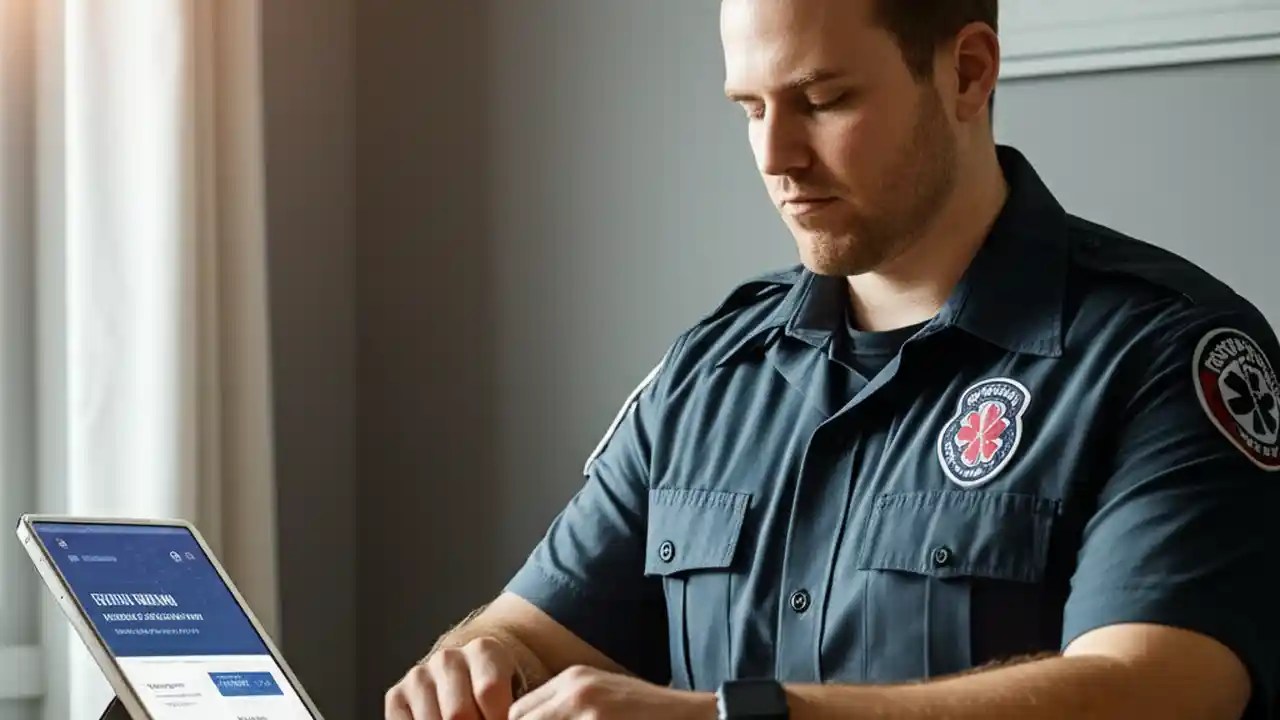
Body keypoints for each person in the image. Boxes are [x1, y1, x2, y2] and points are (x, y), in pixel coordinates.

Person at [384, 1, 1280, 718]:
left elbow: (1158, 690)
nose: (776, 157)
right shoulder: (710, 371)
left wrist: (743, 719)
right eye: (750, 108)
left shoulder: (1167, 354)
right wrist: (481, 662)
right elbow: (531, 630)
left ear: (967, 72)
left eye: (822, 100)